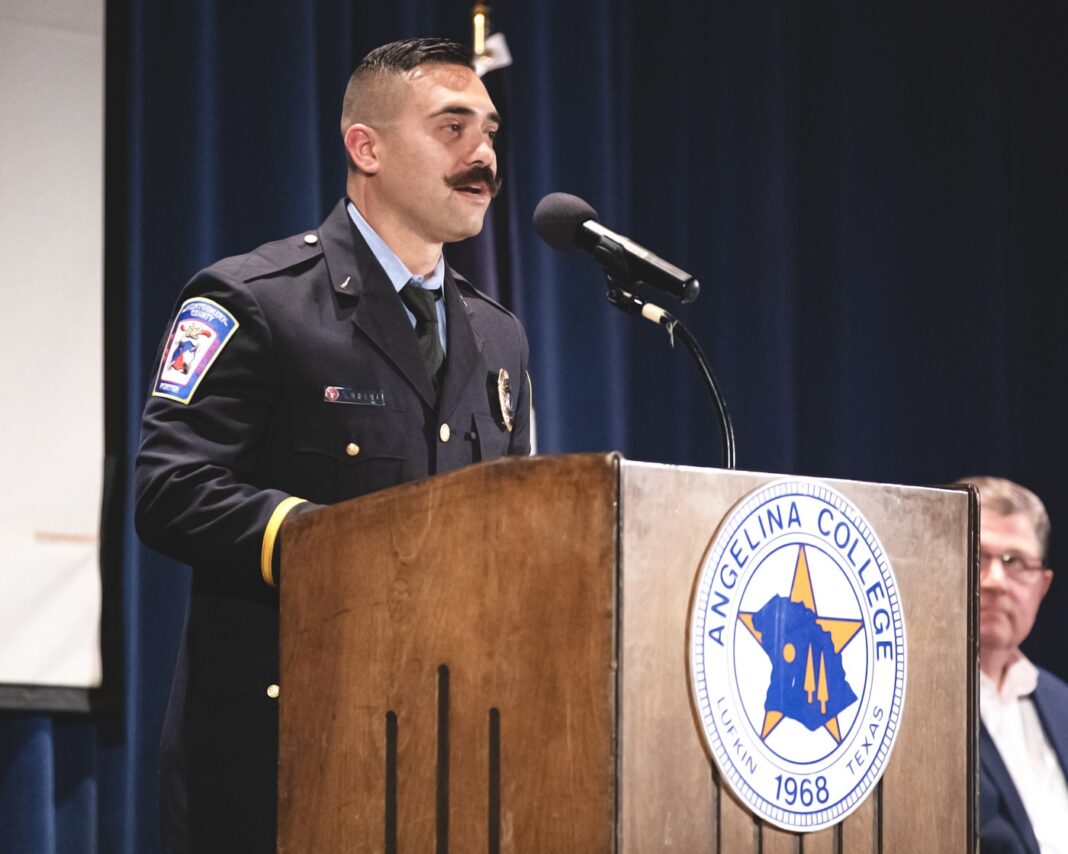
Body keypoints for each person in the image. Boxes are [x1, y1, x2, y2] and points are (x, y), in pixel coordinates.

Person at [135, 38, 531, 852]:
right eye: (452, 128)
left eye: (488, 131)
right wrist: (340, 548)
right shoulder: (254, 301)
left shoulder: (499, 337)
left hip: (446, 759)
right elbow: (169, 488)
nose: (483, 153)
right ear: (366, 147)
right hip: (281, 757)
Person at [957, 476, 1068, 854]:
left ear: (1042, 585)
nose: (995, 580)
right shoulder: (910, 704)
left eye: (1014, 561)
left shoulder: (1061, 704)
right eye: (976, 555)